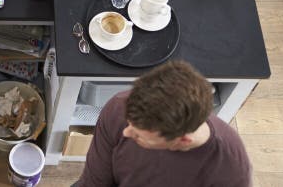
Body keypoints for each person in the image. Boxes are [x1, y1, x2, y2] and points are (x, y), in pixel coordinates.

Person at [75, 60, 252, 187]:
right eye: (130, 124)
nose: (127, 133)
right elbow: (94, 182)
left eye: (139, 135)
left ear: (182, 141)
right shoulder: (119, 107)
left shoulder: (231, 170)